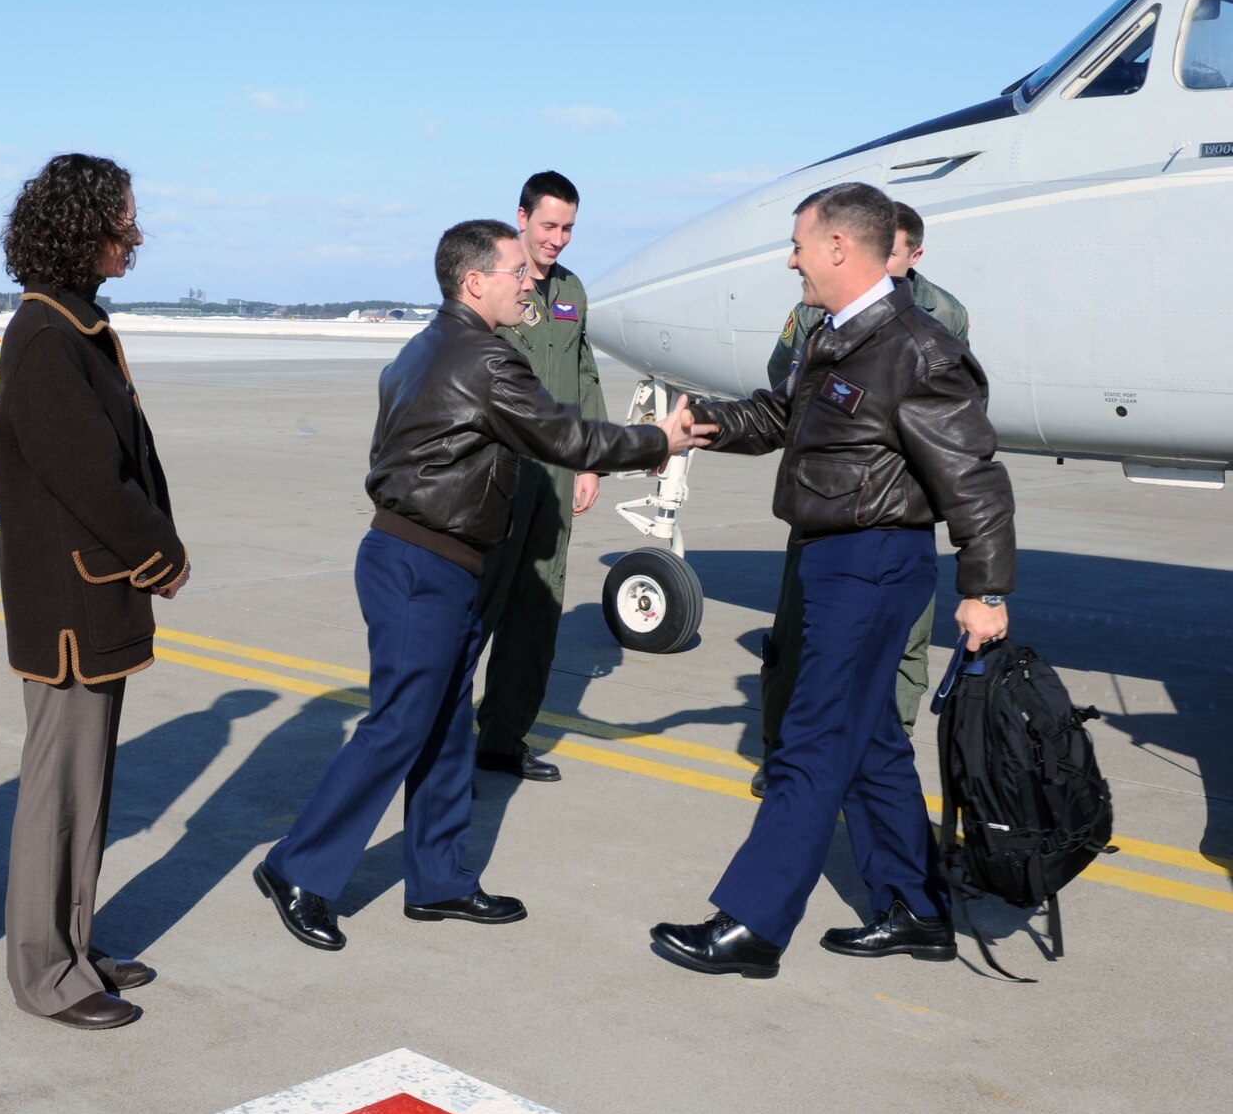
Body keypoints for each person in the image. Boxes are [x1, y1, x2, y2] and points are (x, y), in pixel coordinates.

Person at [255, 220, 713, 951]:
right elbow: (566, 437)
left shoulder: (423, 349)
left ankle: (437, 880)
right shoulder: (484, 359)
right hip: (422, 564)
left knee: (441, 728)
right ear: (475, 282)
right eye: (513, 271)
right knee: (401, 723)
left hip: (434, 558)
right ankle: (297, 869)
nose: (527, 280)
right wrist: (662, 439)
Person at [651, 183, 1014, 978]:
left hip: (874, 561)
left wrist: (986, 592)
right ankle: (917, 910)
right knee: (874, 741)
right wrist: (700, 423)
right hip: (831, 556)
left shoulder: (918, 349)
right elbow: (785, 418)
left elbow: (975, 478)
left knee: (811, 740)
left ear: (841, 249)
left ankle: (752, 923)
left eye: (800, 245)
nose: (792, 259)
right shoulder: (836, 334)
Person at [0, 154, 185, 1030]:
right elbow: (92, 478)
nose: (134, 235)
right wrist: (160, 553)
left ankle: (73, 944)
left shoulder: (75, 323)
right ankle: (45, 972)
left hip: (91, 595)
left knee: (87, 787)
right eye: (123, 219)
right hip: (70, 603)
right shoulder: (44, 335)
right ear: (83, 227)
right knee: (59, 790)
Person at [750, 201, 971, 795]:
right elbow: (787, 390)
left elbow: (965, 460)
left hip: (893, 520)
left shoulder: (938, 322)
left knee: (904, 650)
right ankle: (787, 756)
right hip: (825, 510)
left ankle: (876, 760)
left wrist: (985, 588)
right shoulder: (820, 313)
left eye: (894, 255)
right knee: (796, 639)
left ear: (911, 255)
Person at [474, 171, 605, 782]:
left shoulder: (571, 291)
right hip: (498, 468)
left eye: (568, 228)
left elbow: (584, 373)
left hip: (553, 472)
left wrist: (589, 460)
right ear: (521, 217)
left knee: (538, 608)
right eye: (549, 225)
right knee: (477, 608)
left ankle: (501, 738)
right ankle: (442, 752)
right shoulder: (495, 279)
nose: (558, 239)